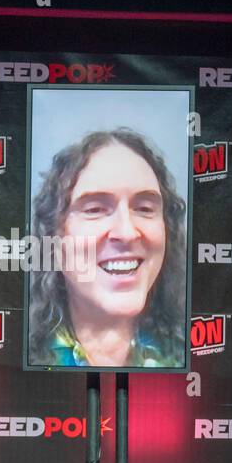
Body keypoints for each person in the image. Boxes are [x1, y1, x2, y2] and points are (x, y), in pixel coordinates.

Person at [28, 128, 186, 368]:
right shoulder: (18, 357)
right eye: (95, 210)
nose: (127, 232)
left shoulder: (194, 355)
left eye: (144, 208)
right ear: (54, 236)